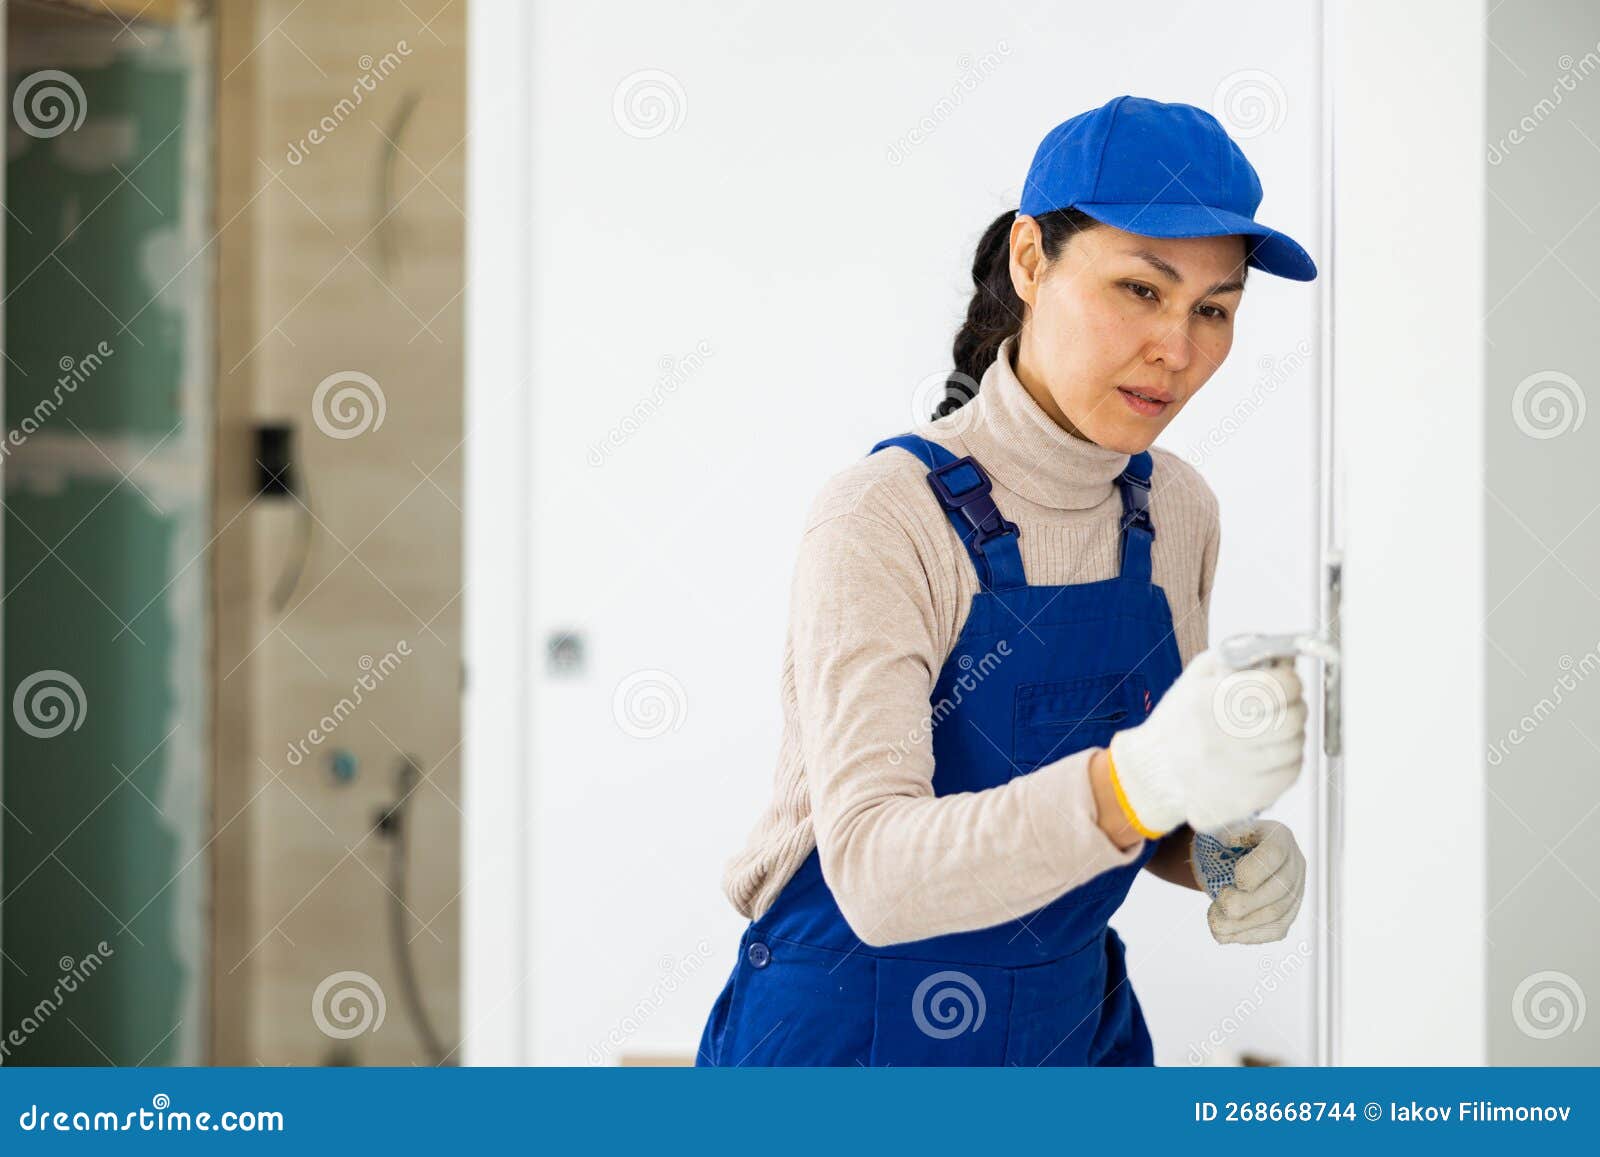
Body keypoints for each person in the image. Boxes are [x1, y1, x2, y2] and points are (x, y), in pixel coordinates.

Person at [697, 94, 1316, 1068]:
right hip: (853, 1039)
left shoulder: (1175, 512)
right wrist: (1138, 782)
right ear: (1030, 260)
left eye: (1214, 309)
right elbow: (874, 871)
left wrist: (1214, 851)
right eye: (1139, 290)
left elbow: (1150, 793)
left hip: (1066, 1030)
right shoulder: (885, 514)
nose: (1177, 348)